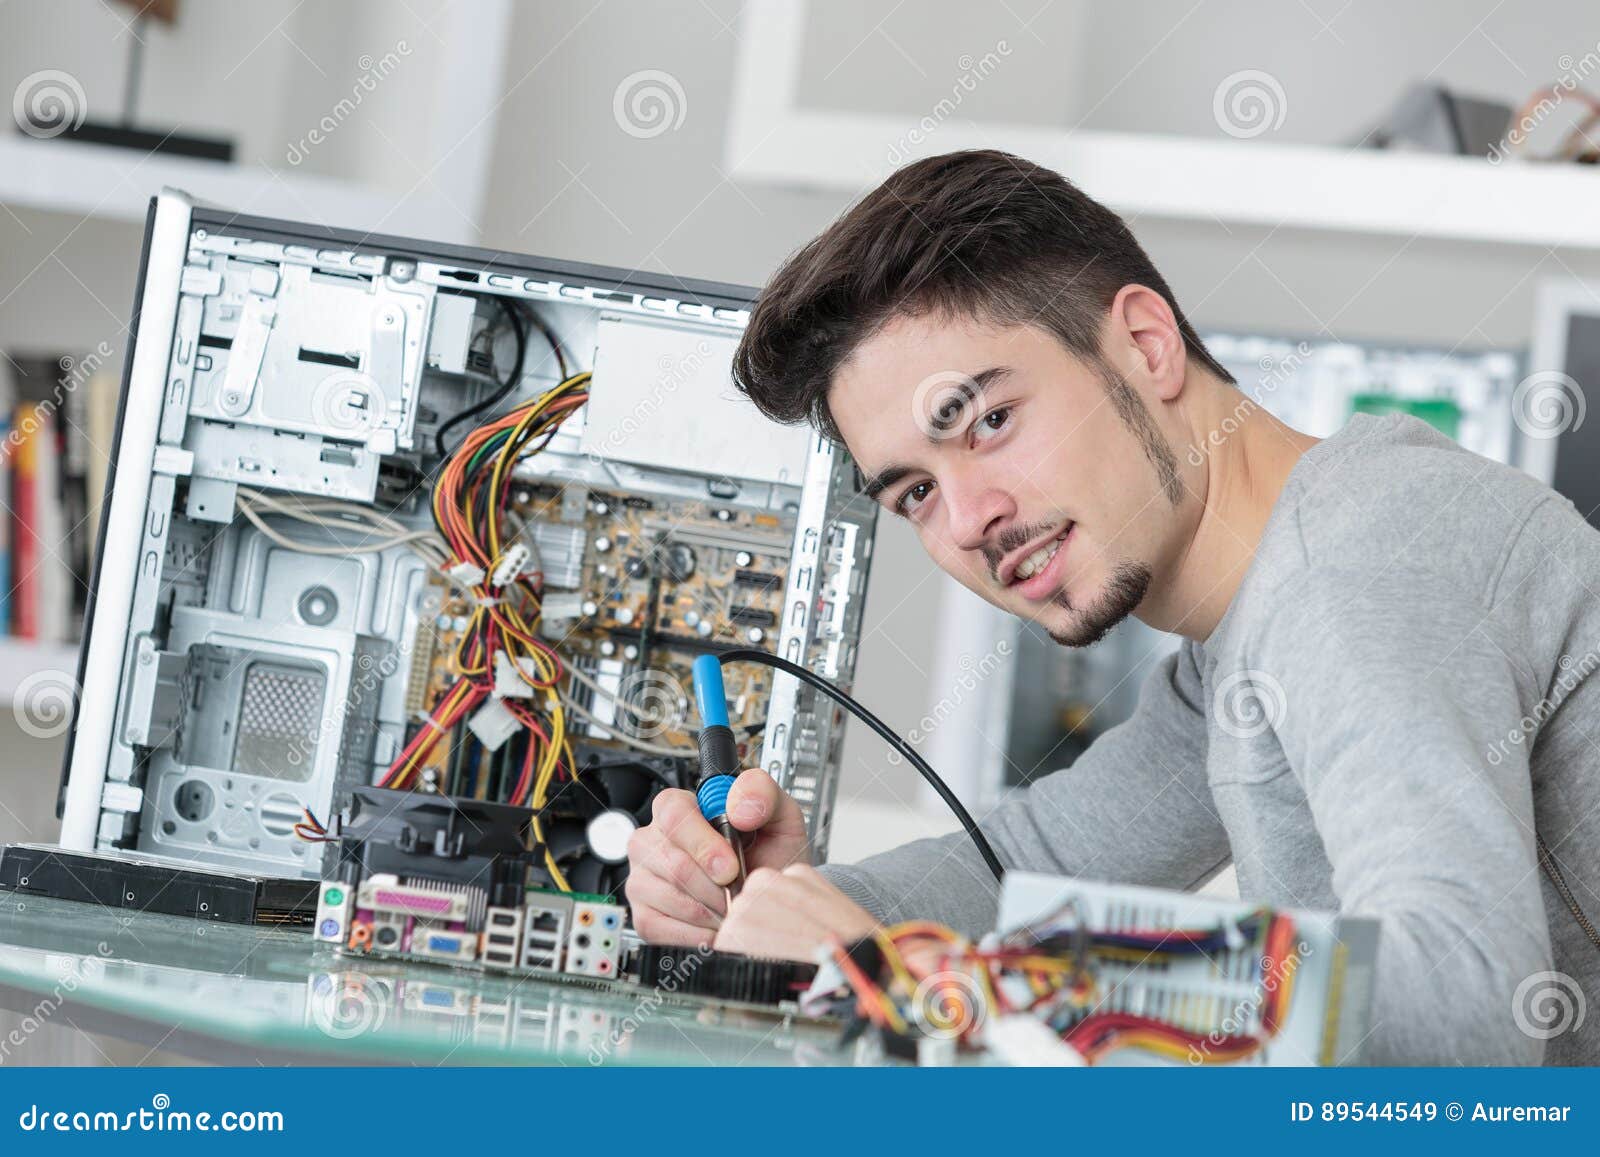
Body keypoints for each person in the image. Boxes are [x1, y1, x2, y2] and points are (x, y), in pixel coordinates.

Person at [625, 149, 1600, 1064]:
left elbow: (1469, 1000)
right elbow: (1021, 865)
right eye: (914, 491)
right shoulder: (1255, 616)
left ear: (1144, 344)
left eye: (989, 421)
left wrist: (937, 981)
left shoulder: (1342, 583)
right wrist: (792, 899)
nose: (969, 518)